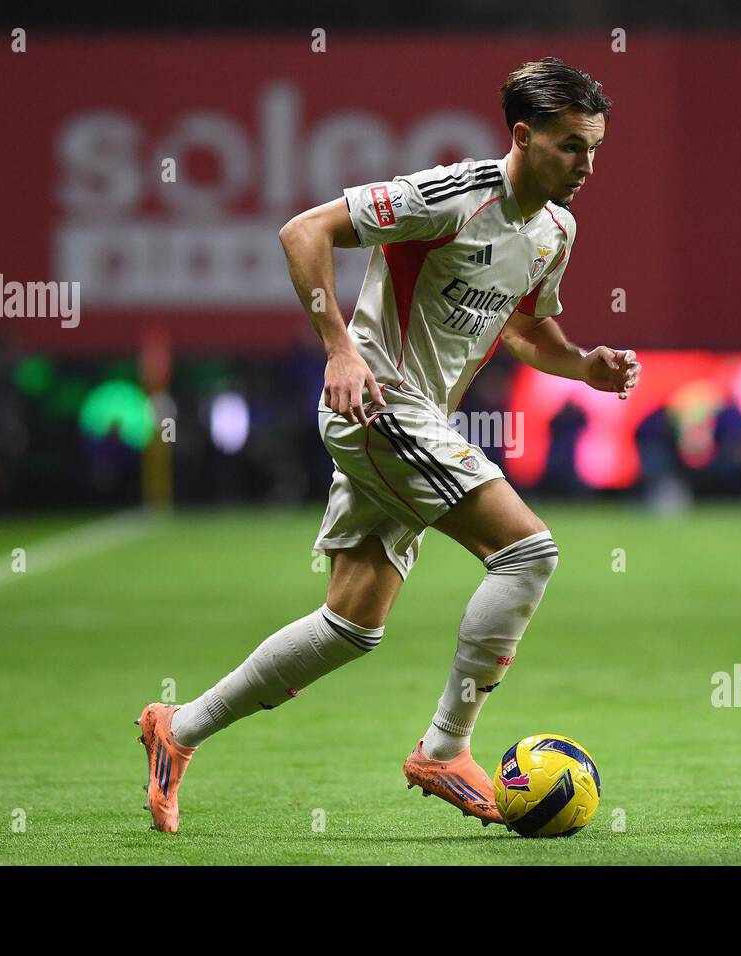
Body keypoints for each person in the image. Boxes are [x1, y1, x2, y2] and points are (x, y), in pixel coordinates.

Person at [135, 57, 639, 832]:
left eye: (595, 147)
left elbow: (528, 328)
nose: (587, 165)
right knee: (527, 553)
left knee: (351, 624)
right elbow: (305, 232)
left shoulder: (555, 230)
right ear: (523, 136)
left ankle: (179, 728)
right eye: (571, 146)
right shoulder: (451, 196)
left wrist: (584, 366)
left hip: (420, 422)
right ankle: (446, 747)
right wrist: (339, 346)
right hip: (377, 407)